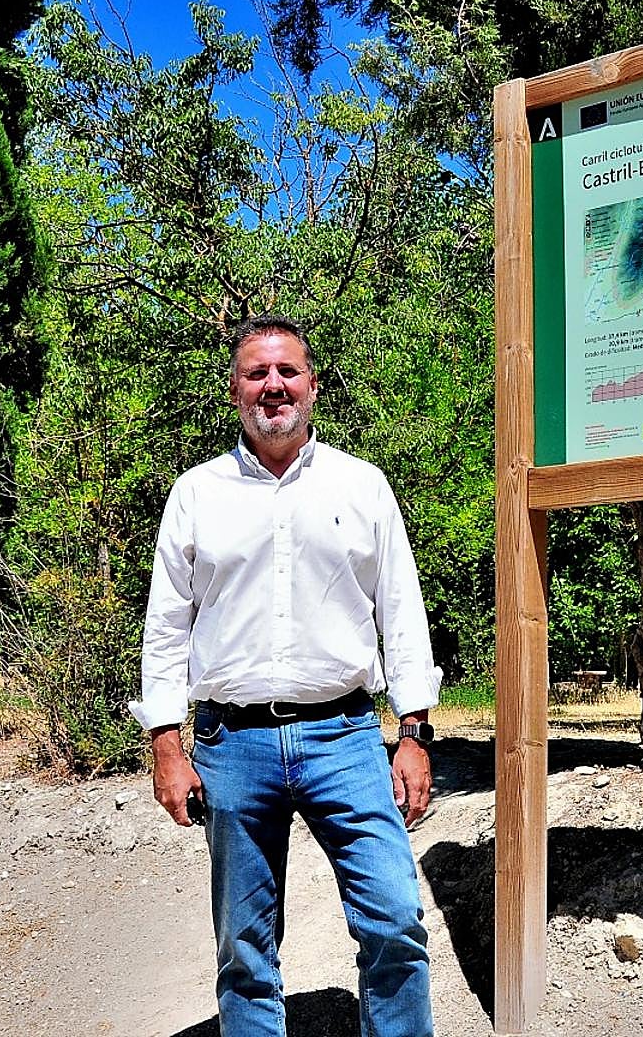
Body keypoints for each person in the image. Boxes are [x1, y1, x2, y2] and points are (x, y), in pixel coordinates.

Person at [132, 315, 441, 1037]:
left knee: (395, 919)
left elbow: (401, 612)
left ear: (312, 385)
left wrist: (415, 732)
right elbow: (166, 627)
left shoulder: (362, 486)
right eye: (256, 373)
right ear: (234, 390)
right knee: (244, 950)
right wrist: (167, 745)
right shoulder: (196, 494)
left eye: (287, 372)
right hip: (231, 745)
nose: (273, 386)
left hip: (347, 737)